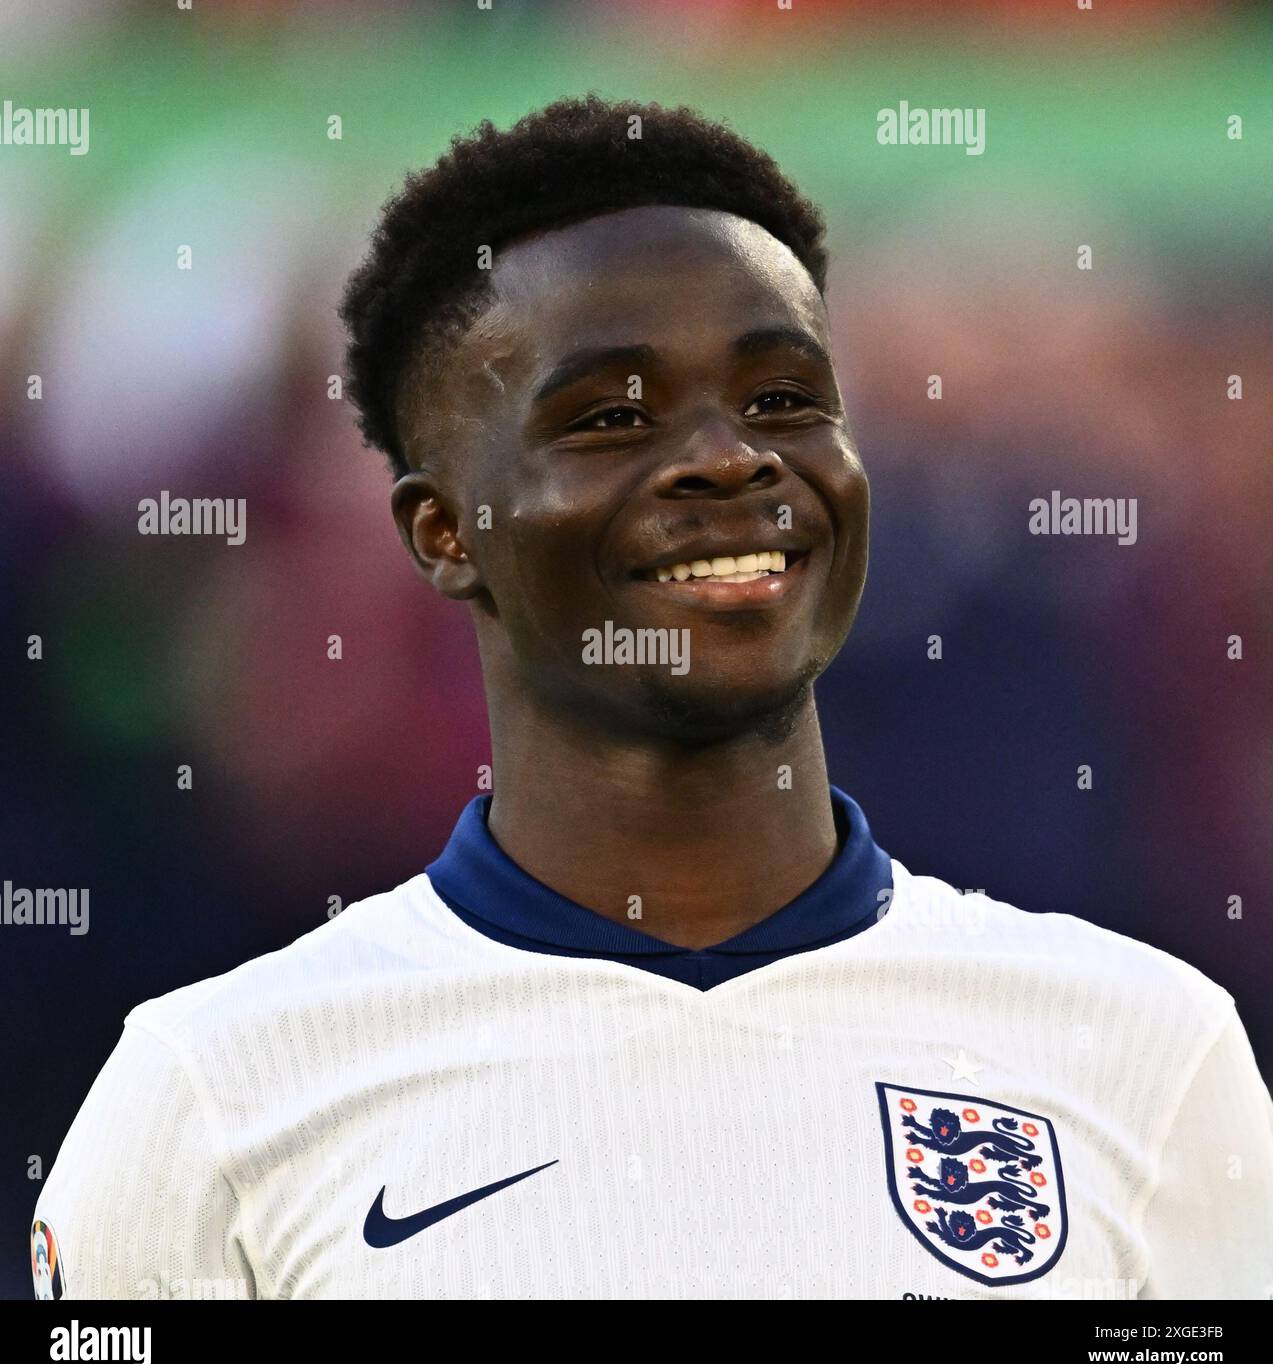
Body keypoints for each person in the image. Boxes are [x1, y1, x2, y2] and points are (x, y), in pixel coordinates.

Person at [31, 96, 1273, 1300]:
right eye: (612, 414)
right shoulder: (214, 1097)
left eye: (785, 398)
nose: (733, 457)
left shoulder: (1148, 1058)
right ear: (444, 531)